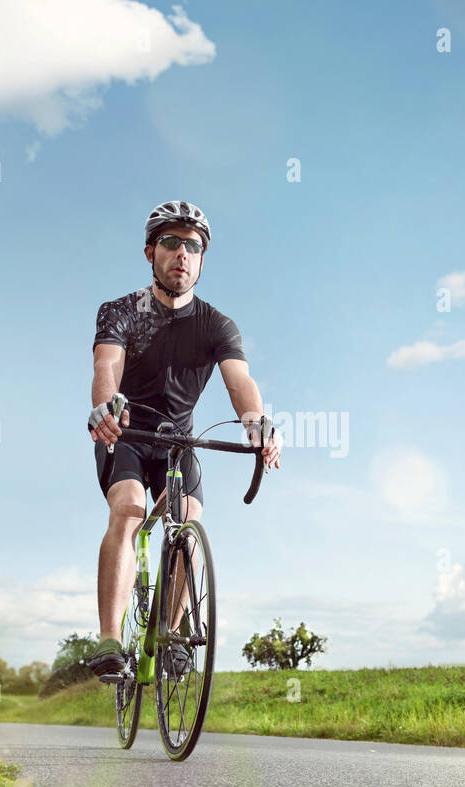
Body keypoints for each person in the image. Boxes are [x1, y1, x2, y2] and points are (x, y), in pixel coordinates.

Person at [85, 200, 282, 677]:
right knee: (129, 508)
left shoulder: (216, 324)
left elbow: (240, 382)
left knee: (189, 526)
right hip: (126, 432)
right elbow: (106, 367)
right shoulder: (121, 311)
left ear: (201, 259)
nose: (182, 254)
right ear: (150, 251)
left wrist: (256, 421)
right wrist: (107, 405)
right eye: (171, 242)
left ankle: (170, 632)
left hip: (181, 442)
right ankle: (110, 641)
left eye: (192, 246)